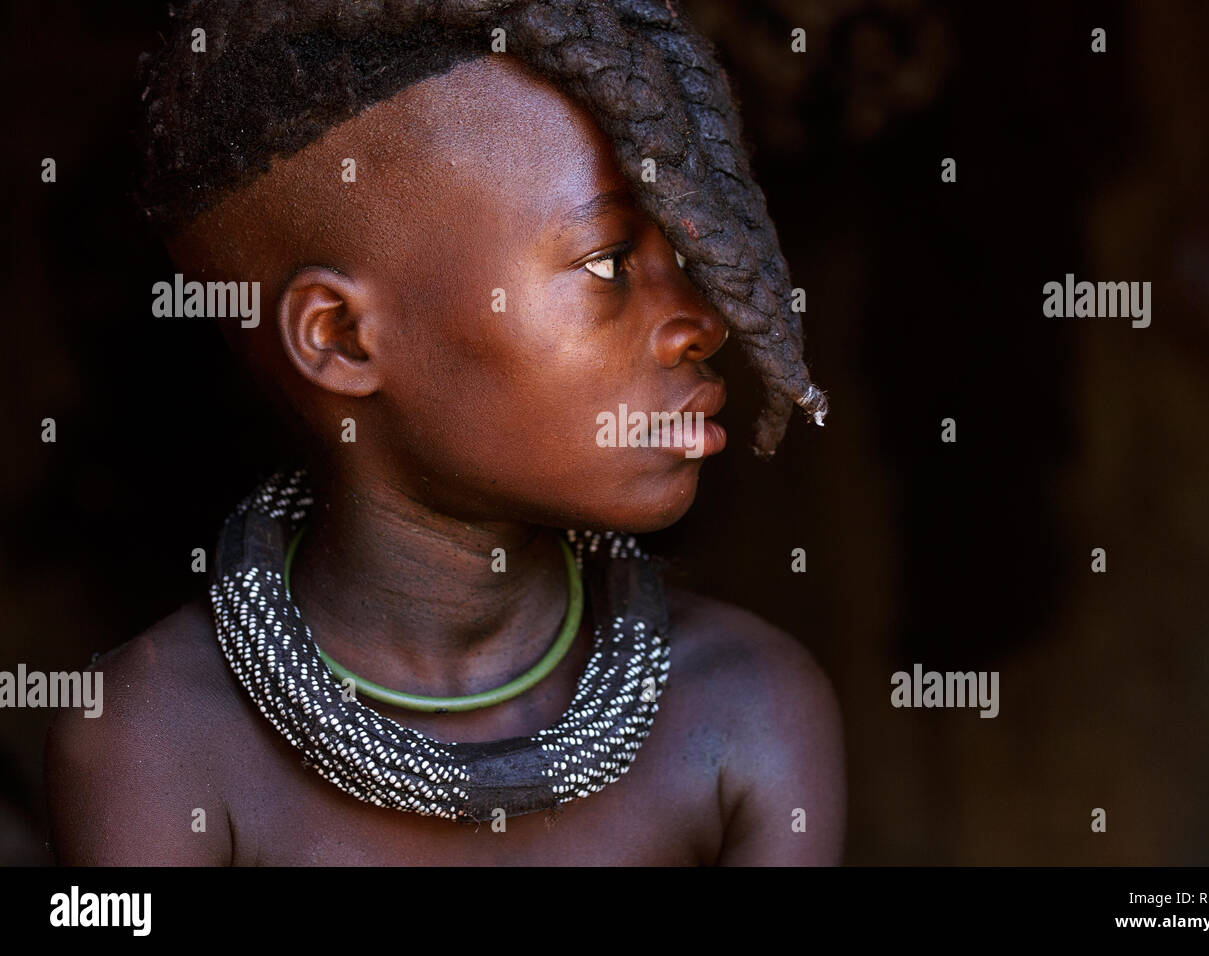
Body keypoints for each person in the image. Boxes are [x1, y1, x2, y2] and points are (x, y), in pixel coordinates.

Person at [46, 0, 844, 865]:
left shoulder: (747, 711)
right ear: (341, 337)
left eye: (686, 259)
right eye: (609, 262)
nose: (700, 322)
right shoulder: (155, 742)